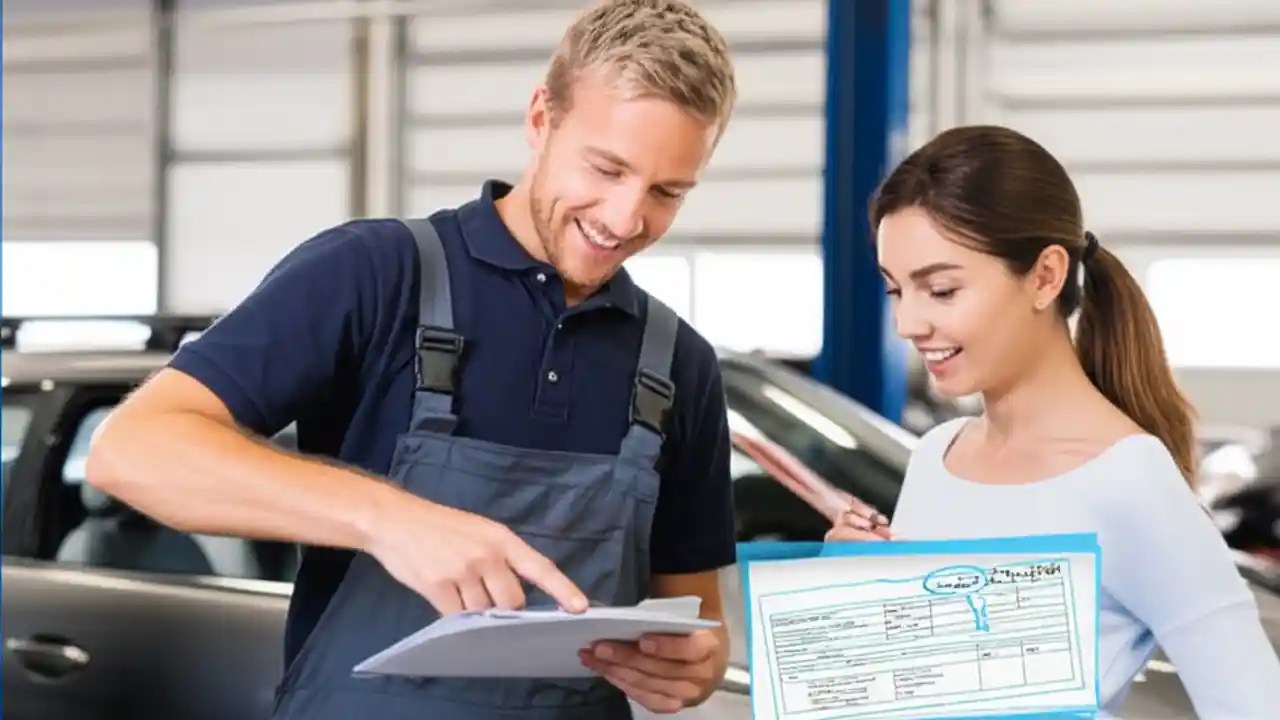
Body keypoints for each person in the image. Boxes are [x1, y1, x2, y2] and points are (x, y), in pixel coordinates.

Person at [84, 1, 739, 718]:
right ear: (540, 117)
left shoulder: (680, 365)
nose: (623, 218)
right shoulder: (374, 275)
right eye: (605, 168)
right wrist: (391, 520)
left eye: (666, 192)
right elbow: (134, 452)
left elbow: (690, 611)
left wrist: (692, 668)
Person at [828, 125, 1280, 717]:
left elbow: (1253, 704)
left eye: (941, 290)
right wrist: (853, 596)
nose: (908, 324)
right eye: (895, 291)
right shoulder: (937, 456)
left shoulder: (1128, 479)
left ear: (1045, 276)